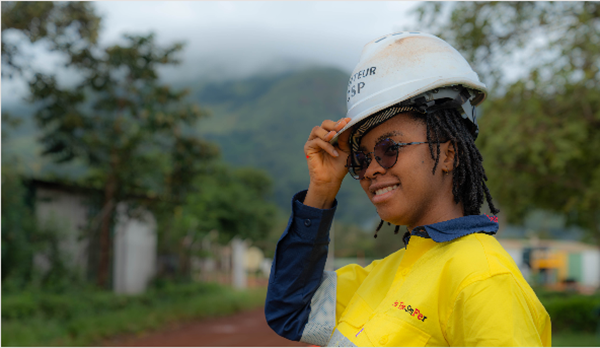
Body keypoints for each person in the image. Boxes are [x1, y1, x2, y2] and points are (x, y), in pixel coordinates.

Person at [264, 32, 551, 347]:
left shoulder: (483, 279)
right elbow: (291, 310)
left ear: (448, 153)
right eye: (361, 159)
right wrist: (322, 189)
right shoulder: (385, 274)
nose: (372, 169)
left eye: (389, 148)